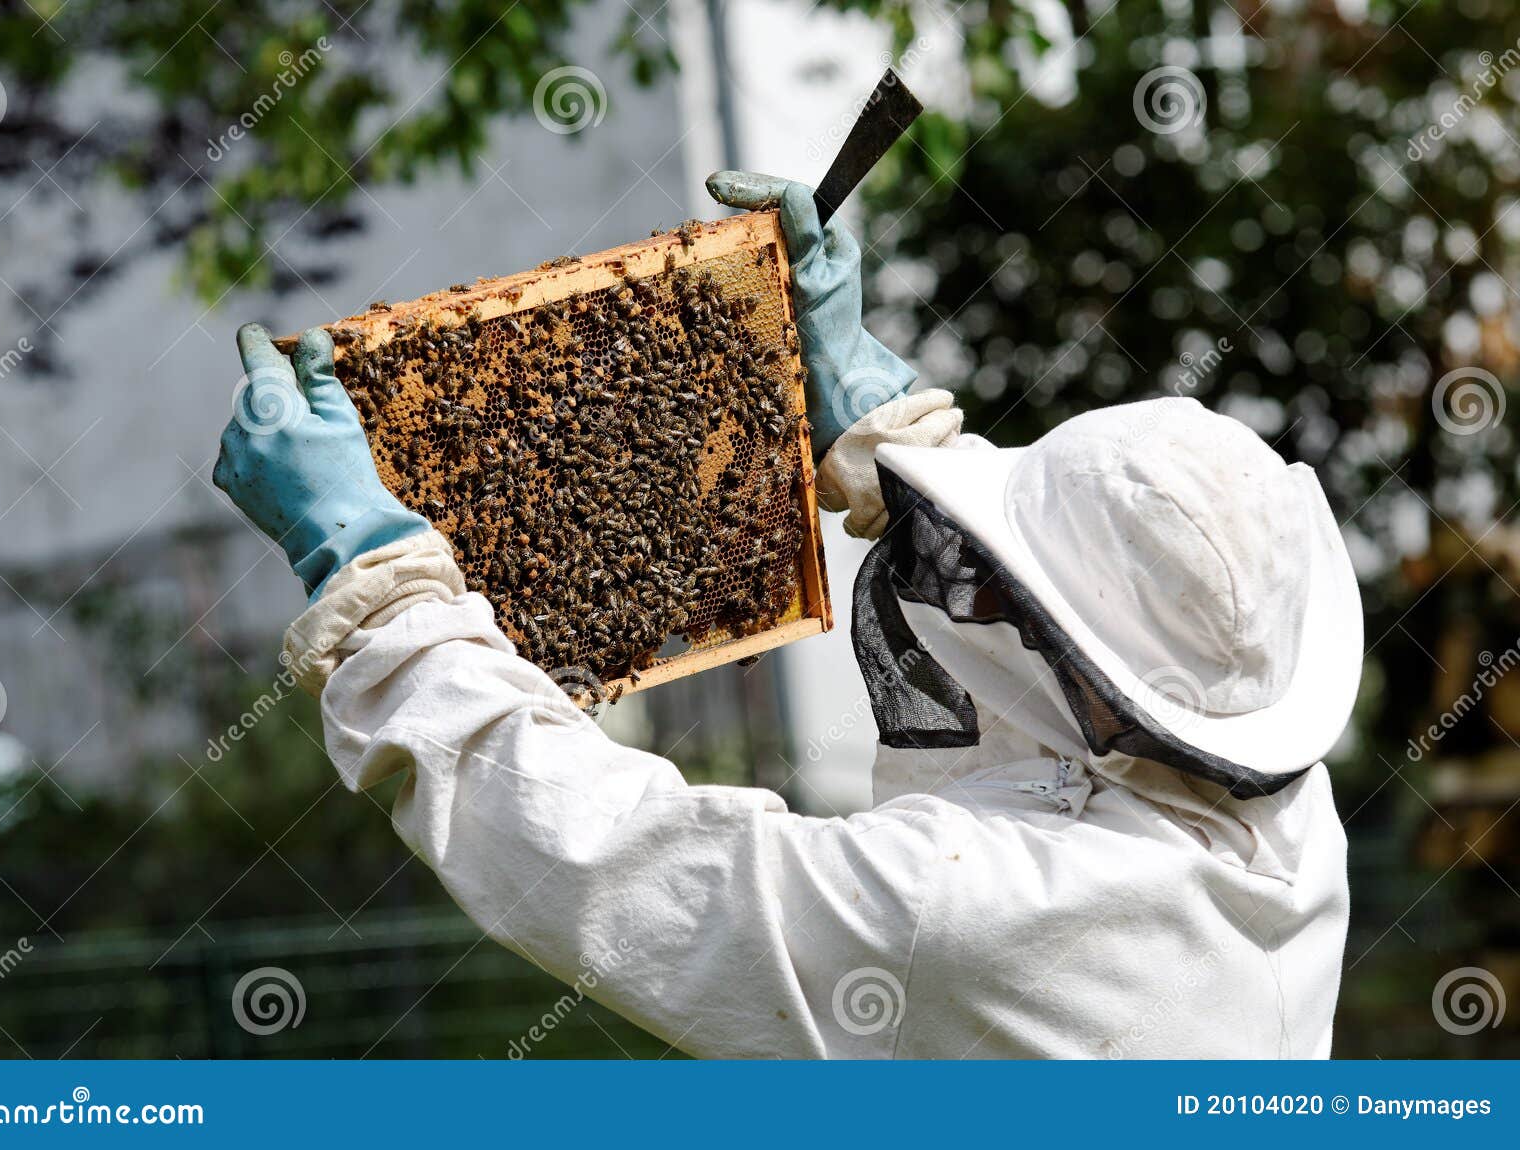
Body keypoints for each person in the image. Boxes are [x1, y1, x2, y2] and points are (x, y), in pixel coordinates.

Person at [213, 172, 1361, 1059]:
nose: (985, 595)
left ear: (1098, 685)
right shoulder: (1285, 819)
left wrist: (378, 580)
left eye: (1012, 588)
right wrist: (890, 442)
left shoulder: (967, 917)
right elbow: (1081, 638)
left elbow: (605, 857)